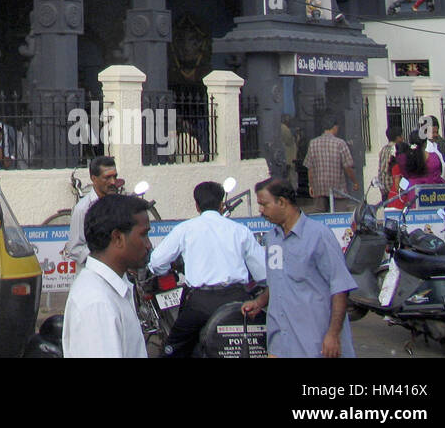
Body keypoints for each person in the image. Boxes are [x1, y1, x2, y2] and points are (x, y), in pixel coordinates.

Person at [147, 180, 266, 358]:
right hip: (238, 301)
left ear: (196, 205)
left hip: (200, 303)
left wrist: (164, 270)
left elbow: (156, 262)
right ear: (221, 204)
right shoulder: (240, 231)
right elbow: (263, 273)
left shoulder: (186, 229)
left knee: (173, 351)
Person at [242, 176, 357, 358]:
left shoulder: (319, 236)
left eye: (264, 204)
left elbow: (340, 288)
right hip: (280, 341)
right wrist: (259, 302)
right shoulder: (272, 238)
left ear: (282, 202)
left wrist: (333, 334)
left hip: (314, 341)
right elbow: (279, 282)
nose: (260, 211)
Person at [62, 193, 152, 358]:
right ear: (118, 237)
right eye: (143, 234)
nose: (148, 245)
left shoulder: (112, 288)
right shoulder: (97, 302)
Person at [64, 155, 120, 267]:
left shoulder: (119, 204)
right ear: (94, 179)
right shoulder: (82, 209)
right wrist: (102, 255)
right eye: (107, 178)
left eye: (115, 176)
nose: (113, 182)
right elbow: (74, 249)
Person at [303, 116, 358, 211]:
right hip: (338, 189)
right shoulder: (340, 143)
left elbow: (310, 168)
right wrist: (355, 182)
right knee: (338, 216)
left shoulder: (313, 143)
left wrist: (311, 185)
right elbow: (348, 167)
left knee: (320, 216)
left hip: (319, 188)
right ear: (335, 127)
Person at [377, 124, 405, 194]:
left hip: (383, 187)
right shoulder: (397, 149)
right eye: (402, 136)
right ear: (398, 137)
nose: (403, 138)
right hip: (392, 188)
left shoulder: (383, 149)